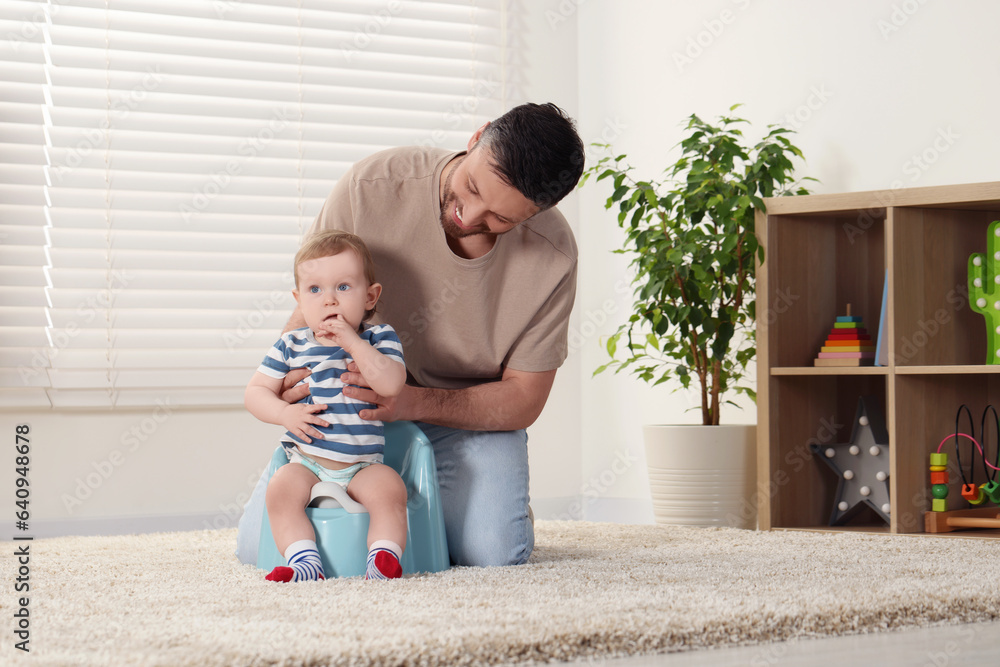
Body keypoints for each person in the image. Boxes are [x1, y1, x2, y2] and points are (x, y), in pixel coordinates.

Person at [236, 102, 584, 567]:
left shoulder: (552, 257)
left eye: (500, 219)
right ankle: (426, 511)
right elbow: (313, 301)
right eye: (473, 187)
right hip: (351, 417)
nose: (470, 215)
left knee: (495, 553)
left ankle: (469, 508)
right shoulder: (372, 187)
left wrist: (412, 403)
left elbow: (524, 398)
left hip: (465, 420)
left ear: (537, 213)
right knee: (254, 545)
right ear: (477, 136)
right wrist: (293, 391)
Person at [244, 230, 407, 581]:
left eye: (343, 287)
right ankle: (305, 561)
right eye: (315, 290)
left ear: (370, 296)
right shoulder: (291, 345)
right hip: (307, 461)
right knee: (280, 490)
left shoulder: (379, 338)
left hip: (363, 465)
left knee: (391, 489)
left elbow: (391, 383)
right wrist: (284, 413)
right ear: (299, 300)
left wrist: (353, 342)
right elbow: (255, 392)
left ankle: (383, 558)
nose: (329, 301)